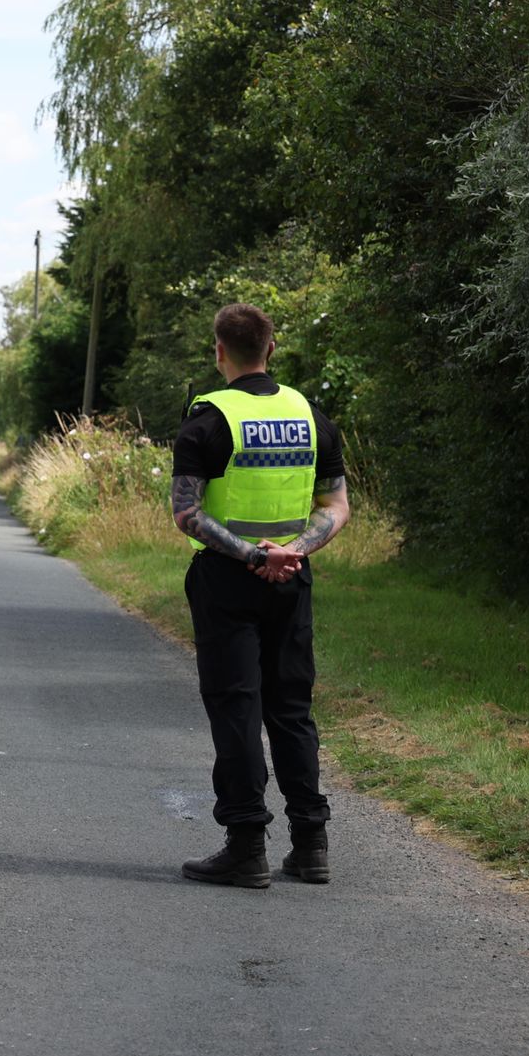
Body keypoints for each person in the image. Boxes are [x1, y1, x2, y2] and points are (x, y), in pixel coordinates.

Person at [169, 303, 350, 889]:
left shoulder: (206, 421)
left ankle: (247, 845)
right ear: (272, 349)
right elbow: (336, 507)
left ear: (219, 351)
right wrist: (292, 552)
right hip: (292, 578)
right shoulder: (312, 416)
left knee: (237, 708)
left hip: (228, 581)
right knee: (292, 710)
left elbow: (187, 514)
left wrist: (252, 555)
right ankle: (310, 845)